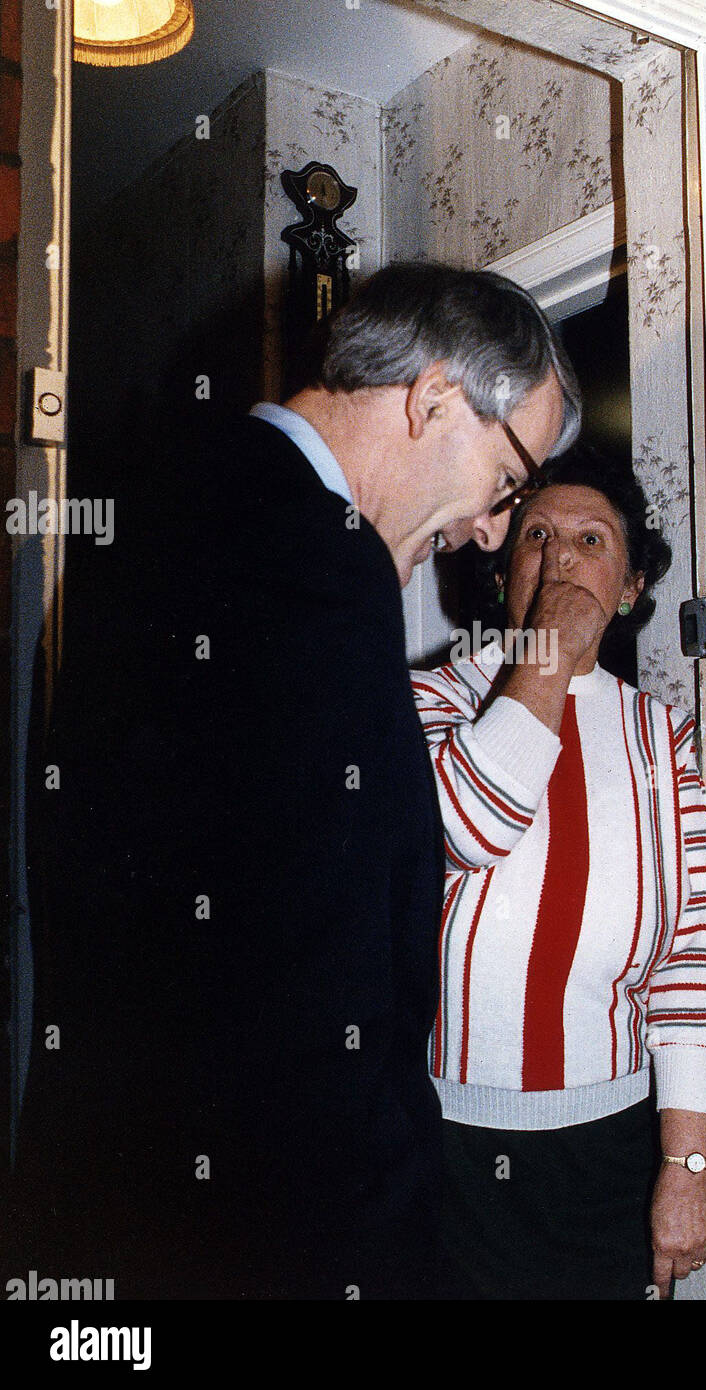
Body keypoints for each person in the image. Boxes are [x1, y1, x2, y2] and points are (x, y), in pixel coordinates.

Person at [10, 263, 580, 1299]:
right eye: (511, 482)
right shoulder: (315, 561)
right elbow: (324, 989)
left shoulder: (168, 502)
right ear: (436, 397)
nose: (494, 531)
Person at [412, 448, 706, 1300]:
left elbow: (689, 965)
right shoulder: (428, 702)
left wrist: (690, 1165)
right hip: (442, 1150)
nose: (559, 558)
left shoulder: (667, 741)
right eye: (537, 537)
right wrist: (549, 655)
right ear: (502, 571)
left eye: (592, 539)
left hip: (611, 1157)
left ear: (628, 589)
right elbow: (468, 825)